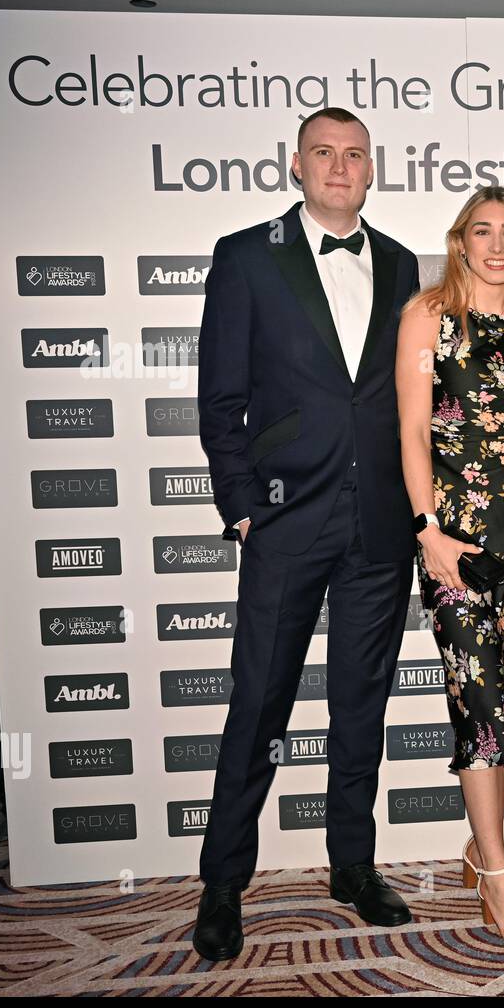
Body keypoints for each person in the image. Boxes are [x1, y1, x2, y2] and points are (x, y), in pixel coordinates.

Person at [192, 108, 418, 961]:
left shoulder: (399, 264)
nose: (339, 166)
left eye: (354, 155)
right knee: (259, 702)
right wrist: (244, 505)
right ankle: (223, 881)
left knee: (363, 702)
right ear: (296, 165)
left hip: (379, 523)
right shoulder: (247, 257)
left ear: (371, 169)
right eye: (323, 152)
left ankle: (351, 865)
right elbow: (220, 401)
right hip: (285, 518)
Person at [396, 187, 504, 952]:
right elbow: (412, 429)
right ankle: (499, 878)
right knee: (478, 700)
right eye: (482, 232)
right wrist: (427, 531)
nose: (498, 246)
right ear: (460, 242)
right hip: (456, 539)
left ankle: (477, 849)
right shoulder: (428, 315)